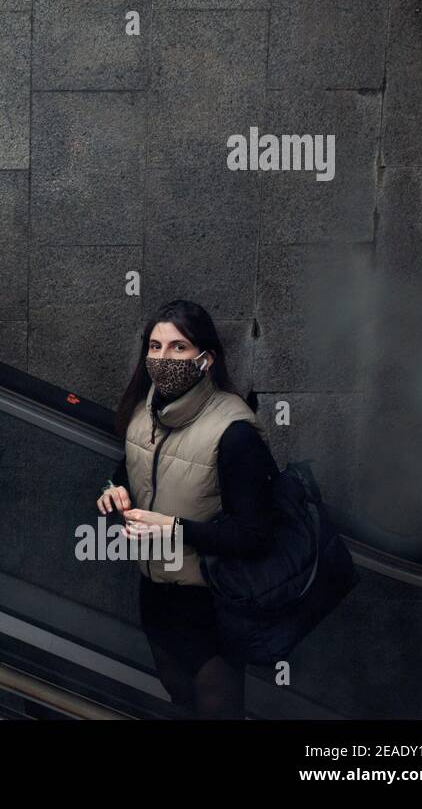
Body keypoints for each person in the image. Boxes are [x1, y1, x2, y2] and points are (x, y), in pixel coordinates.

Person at [97, 300, 277, 719]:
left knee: (217, 710)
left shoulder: (234, 433)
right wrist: (112, 492)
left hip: (213, 603)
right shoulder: (143, 414)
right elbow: (127, 472)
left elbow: (256, 535)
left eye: (178, 347)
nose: (163, 358)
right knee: (181, 703)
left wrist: (173, 530)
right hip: (156, 594)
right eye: (155, 346)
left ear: (206, 358)